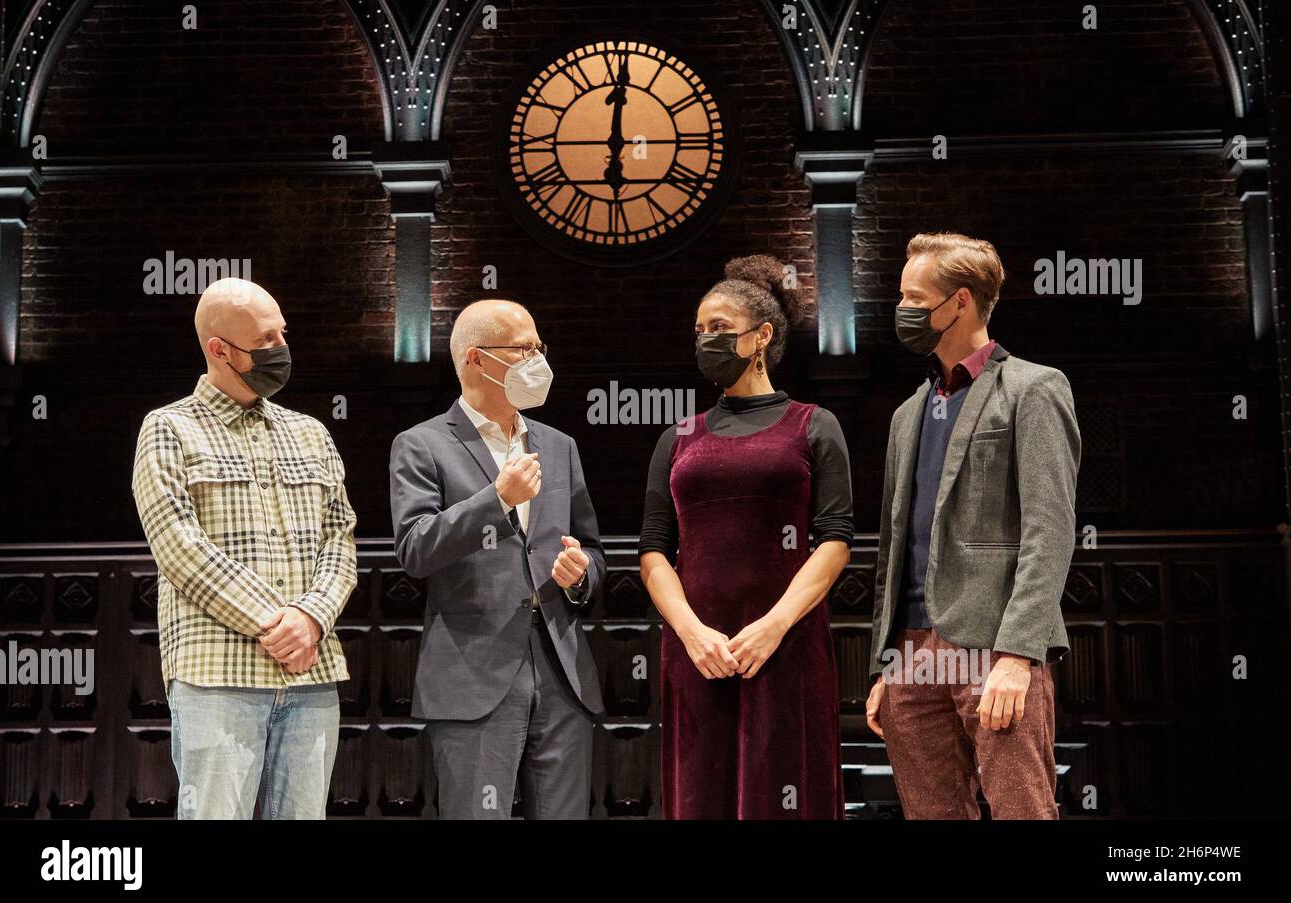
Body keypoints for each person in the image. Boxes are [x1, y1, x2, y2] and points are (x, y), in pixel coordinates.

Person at [865, 232, 1081, 819]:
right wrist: (888, 663)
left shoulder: (1033, 389)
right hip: (912, 654)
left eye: (914, 296)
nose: (903, 309)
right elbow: (893, 547)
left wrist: (1018, 654)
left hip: (994, 643)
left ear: (960, 301)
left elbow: (1050, 528)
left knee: (1021, 810)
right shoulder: (908, 414)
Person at [131, 277, 357, 819]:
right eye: (265, 338)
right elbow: (178, 546)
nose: (280, 347)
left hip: (311, 672)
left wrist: (311, 618)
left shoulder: (311, 433)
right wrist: (277, 621)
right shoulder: (168, 429)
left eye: (282, 332)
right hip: (217, 675)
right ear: (220, 350)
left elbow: (340, 538)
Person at [639, 255, 853, 819]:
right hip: (696, 646)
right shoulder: (679, 435)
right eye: (699, 330)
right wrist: (689, 632)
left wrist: (774, 626)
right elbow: (655, 549)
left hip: (784, 640)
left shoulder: (813, 423)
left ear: (760, 337)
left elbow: (834, 540)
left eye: (718, 329)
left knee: (784, 784)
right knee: (700, 789)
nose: (705, 340)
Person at [390, 299, 605, 819]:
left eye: (539, 347)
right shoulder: (422, 445)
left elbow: (592, 549)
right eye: (523, 349)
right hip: (473, 670)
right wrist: (496, 500)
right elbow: (415, 549)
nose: (537, 360)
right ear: (476, 359)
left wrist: (581, 577)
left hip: (560, 667)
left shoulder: (559, 446)